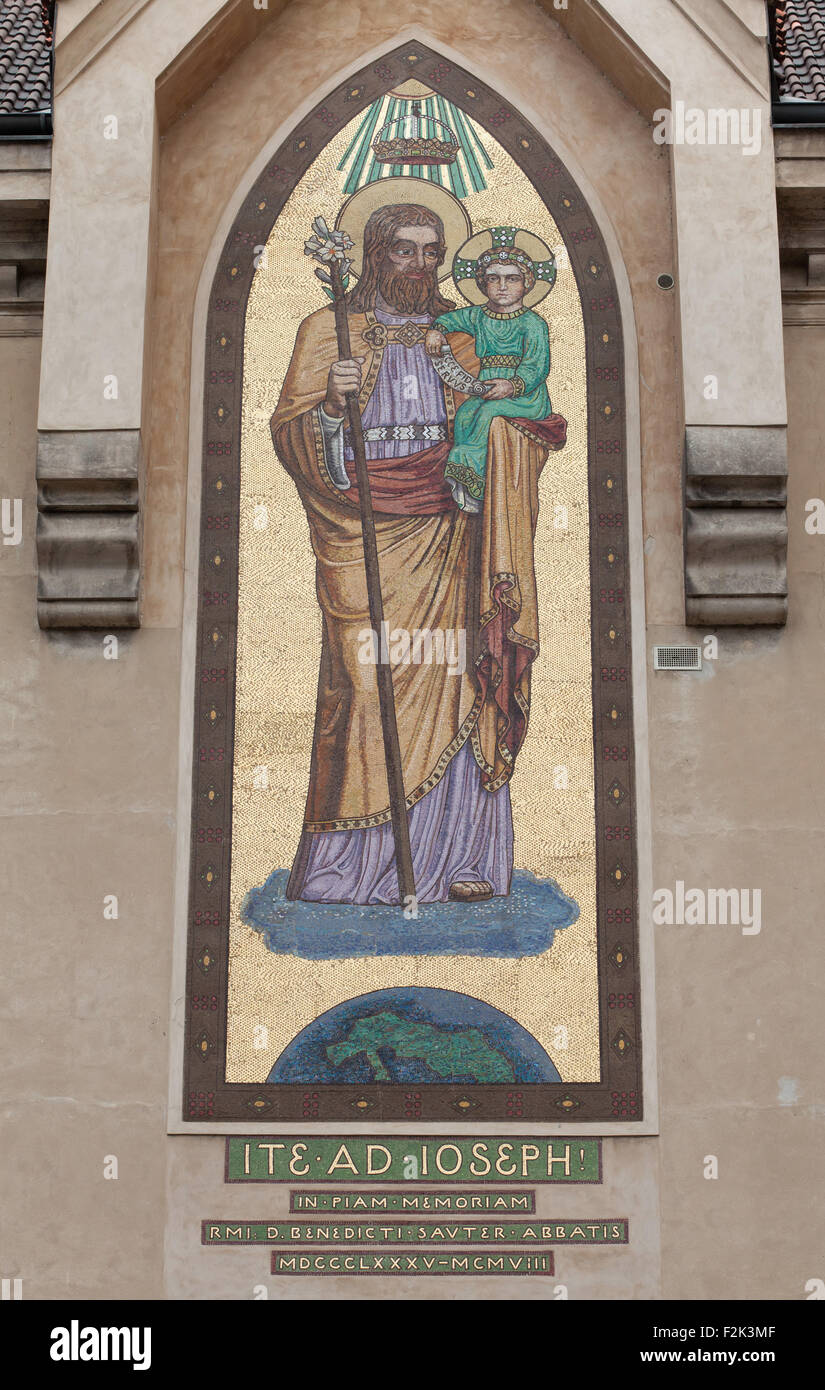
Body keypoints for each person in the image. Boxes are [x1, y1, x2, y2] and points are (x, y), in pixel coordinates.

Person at [270, 197, 565, 905]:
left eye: (432, 251)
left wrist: (501, 428)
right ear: (375, 253)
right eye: (404, 248)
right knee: (365, 685)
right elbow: (289, 434)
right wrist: (328, 409)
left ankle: (461, 857)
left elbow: (525, 418)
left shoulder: (460, 333)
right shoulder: (328, 329)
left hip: (453, 526)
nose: (419, 263)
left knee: (463, 676)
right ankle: (348, 867)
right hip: (363, 524)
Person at [425, 229, 555, 513]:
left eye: (512, 278)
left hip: (525, 397)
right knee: (466, 415)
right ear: (483, 284)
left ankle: (480, 484)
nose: (502, 286)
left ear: (527, 284)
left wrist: (512, 386)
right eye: (493, 278)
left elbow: (537, 366)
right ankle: (466, 480)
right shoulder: (478, 315)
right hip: (486, 391)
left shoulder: (533, 323)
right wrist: (436, 330)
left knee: (486, 415)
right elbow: (450, 319)